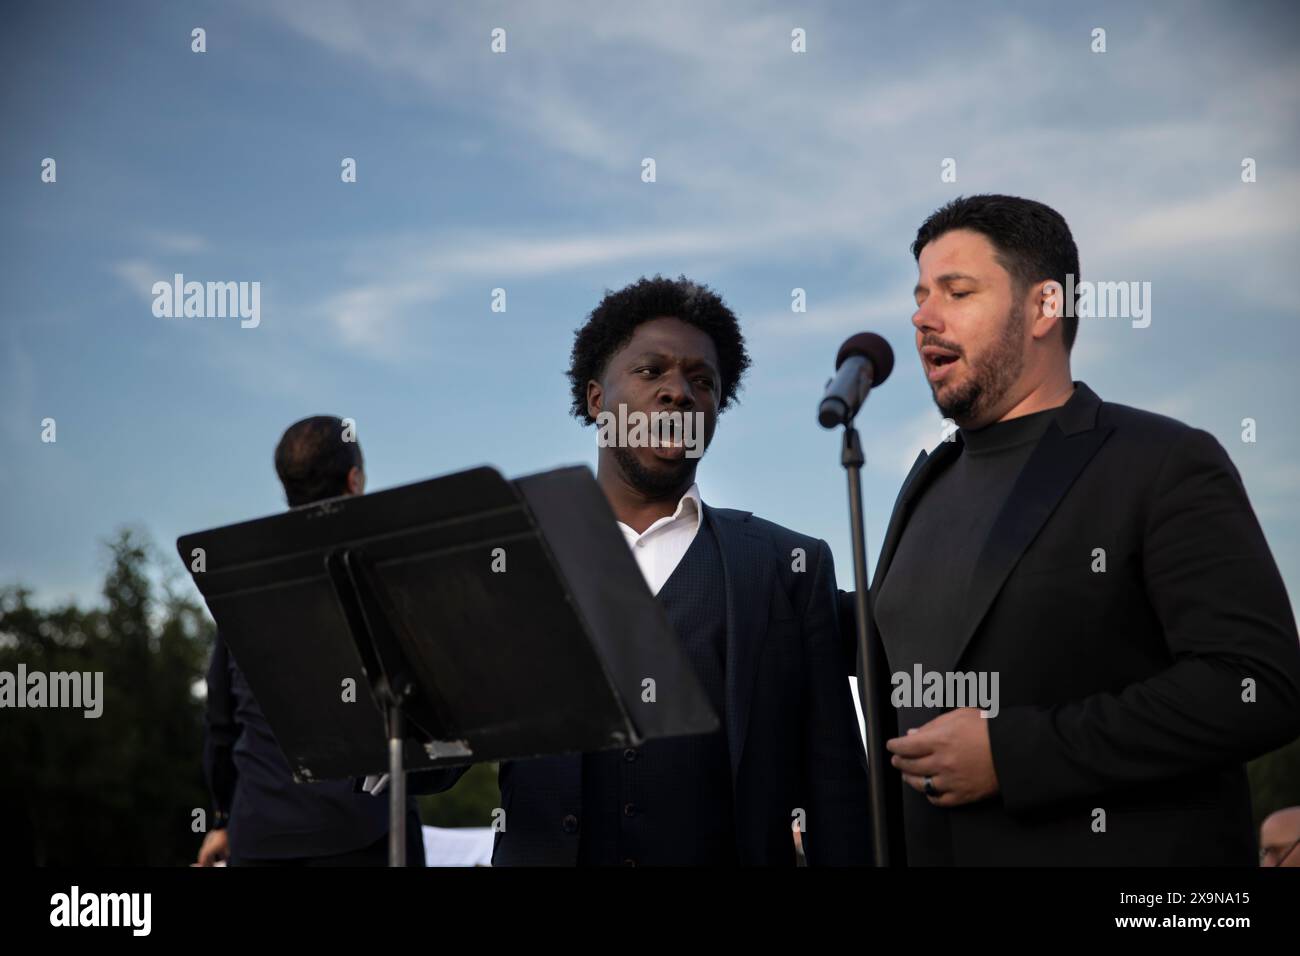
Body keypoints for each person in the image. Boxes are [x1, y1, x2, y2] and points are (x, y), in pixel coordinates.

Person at [863, 194, 1300, 865]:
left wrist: (1015, 755)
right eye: (920, 294)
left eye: (956, 291)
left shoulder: (1159, 461)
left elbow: (1258, 684)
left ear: (1044, 307)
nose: (923, 317)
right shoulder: (924, 484)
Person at [396, 275, 871, 866]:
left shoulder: (788, 568)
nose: (679, 392)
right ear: (597, 400)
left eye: (703, 381)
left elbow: (837, 790)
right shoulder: (513, 563)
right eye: (651, 372)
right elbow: (434, 767)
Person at [197, 416, 424, 867]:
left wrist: (222, 818)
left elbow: (220, 724)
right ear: (354, 480)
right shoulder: (383, 580)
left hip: (259, 837)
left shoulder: (244, 592)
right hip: (365, 836)